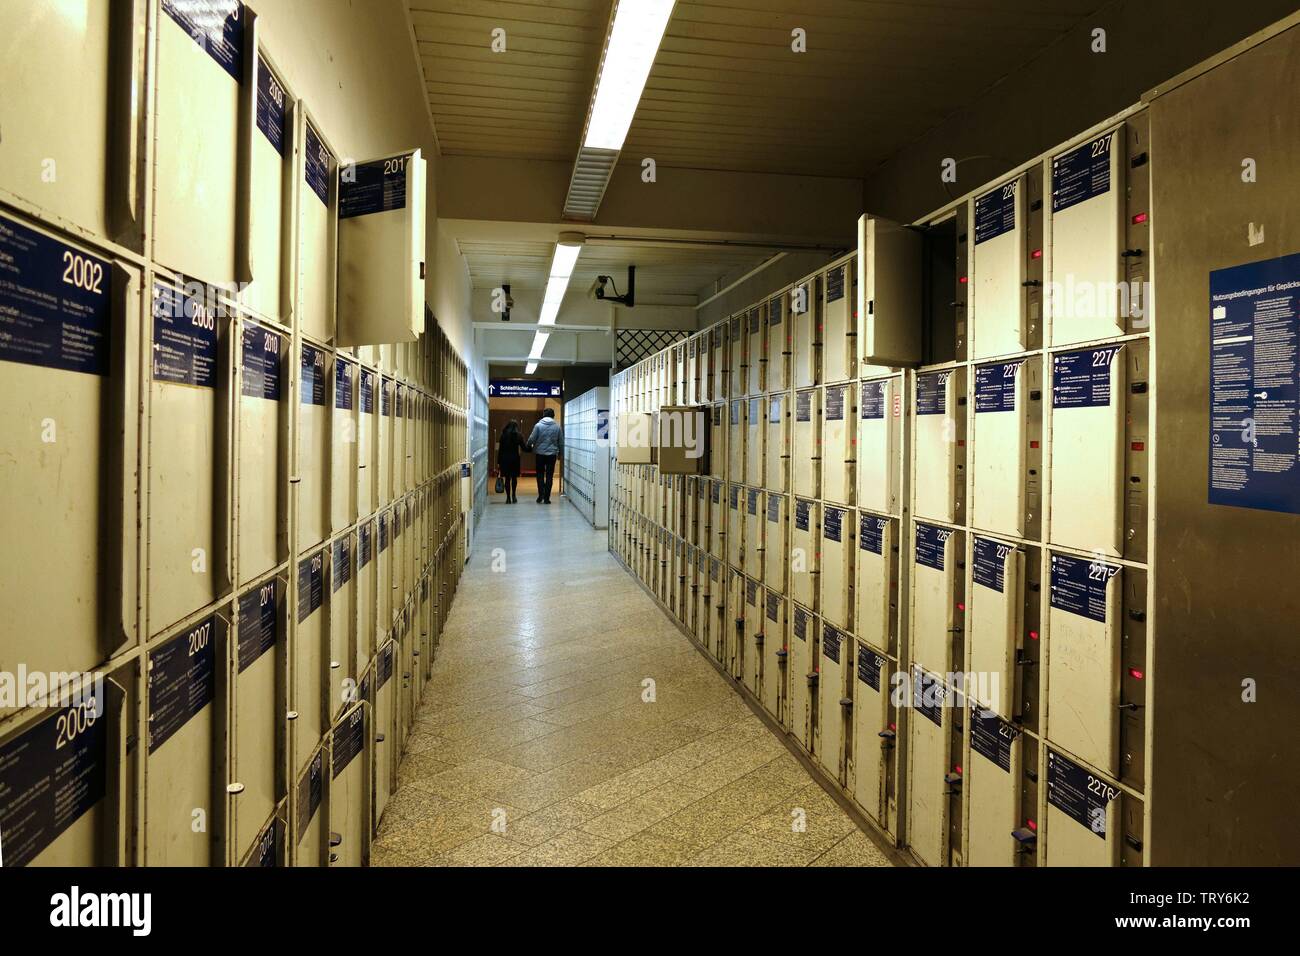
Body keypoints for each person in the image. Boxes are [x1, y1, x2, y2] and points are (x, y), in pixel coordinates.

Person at [525, 408, 563, 504]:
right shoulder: (557, 427)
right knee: (550, 476)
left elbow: (532, 438)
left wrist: (528, 445)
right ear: (553, 416)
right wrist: (560, 454)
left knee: (540, 475)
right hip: (552, 455)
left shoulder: (538, 425)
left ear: (543, 415)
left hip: (540, 454)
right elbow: (561, 442)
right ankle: (547, 498)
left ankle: (540, 495)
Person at [496, 420, 525, 503]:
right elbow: (524, 448)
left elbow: (500, 450)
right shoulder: (519, 436)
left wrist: (498, 462)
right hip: (515, 459)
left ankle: (508, 498)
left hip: (504, 460)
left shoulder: (503, 435)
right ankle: (514, 495)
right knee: (514, 478)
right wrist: (532, 448)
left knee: (507, 479)